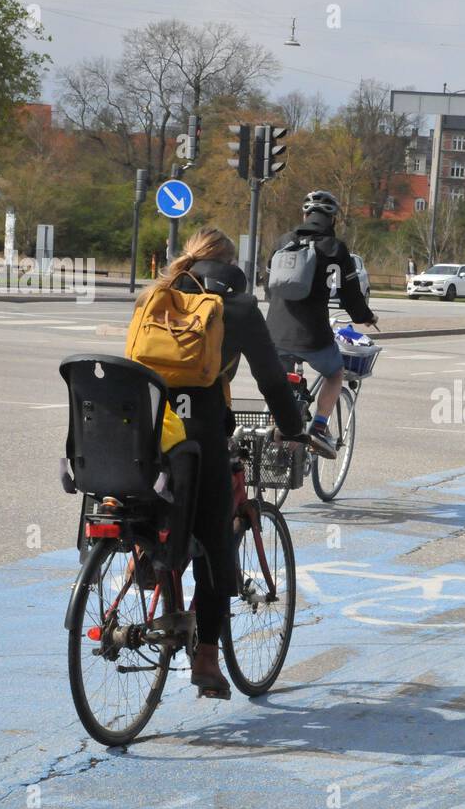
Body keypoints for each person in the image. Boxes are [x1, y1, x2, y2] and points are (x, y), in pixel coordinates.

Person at [161, 227, 306, 699]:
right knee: (215, 542)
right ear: (232, 267)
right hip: (201, 439)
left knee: (157, 506)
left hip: (146, 434)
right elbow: (271, 378)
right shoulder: (237, 308)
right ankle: (206, 655)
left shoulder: (159, 295)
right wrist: (293, 426)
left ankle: (144, 557)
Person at [266, 190, 378, 458]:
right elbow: (350, 295)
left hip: (274, 333)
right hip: (312, 335)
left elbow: (268, 286)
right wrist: (366, 317)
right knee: (335, 373)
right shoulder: (335, 248)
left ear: (305, 215)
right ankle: (318, 427)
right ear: (332, 220)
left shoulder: (283, 241)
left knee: (280, 383)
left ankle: (274, 433)